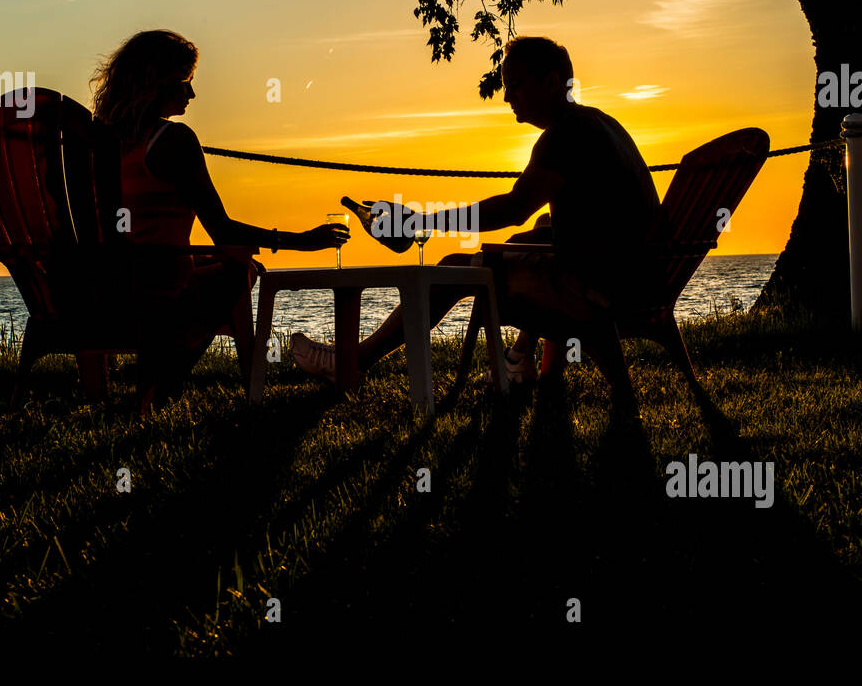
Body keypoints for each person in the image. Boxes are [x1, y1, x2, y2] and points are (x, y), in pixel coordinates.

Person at [290, 36, 666, 416]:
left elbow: (512, 208)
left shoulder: (563, 136)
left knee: (453, 268)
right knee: (537, 230)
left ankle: (352, 363)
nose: (506, 98)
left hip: (597, 286)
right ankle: (518, 357)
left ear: (551, 82)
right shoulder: (601, 123)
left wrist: (423, 222)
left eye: (514, 84)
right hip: (635, 277)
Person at [91, 29, 348, 407]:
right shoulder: (173, 141)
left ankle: (158, 390)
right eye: (185, 82)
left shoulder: (100, 142)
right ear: (154, 82)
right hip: (156, 295)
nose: (191, 94)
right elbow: (223, 231)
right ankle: (158, 392)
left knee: (226, 263)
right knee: (236, 267)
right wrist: (301, 240)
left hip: (99, 291)